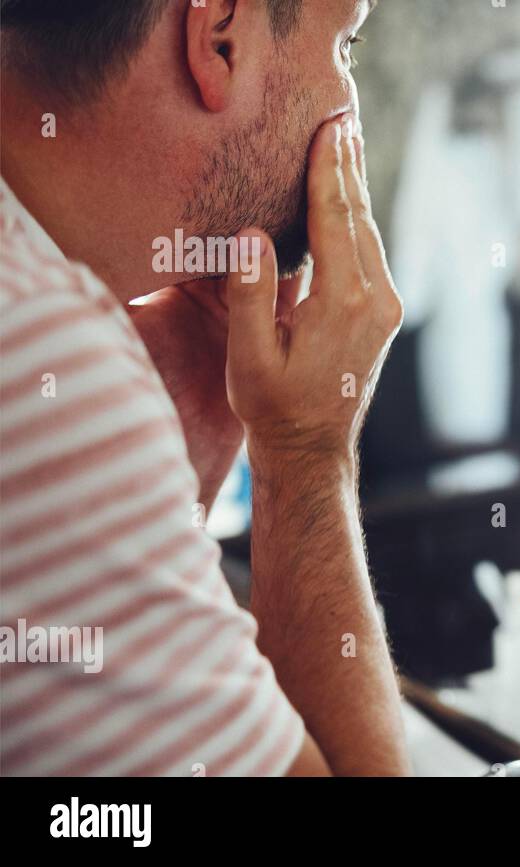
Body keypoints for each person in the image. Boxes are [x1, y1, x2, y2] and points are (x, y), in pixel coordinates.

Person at [1, 0, 410, 775]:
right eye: (346, 45)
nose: (351, 107)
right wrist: (307, 450)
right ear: (219, 35)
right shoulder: (36, 348)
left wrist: (173, 447)